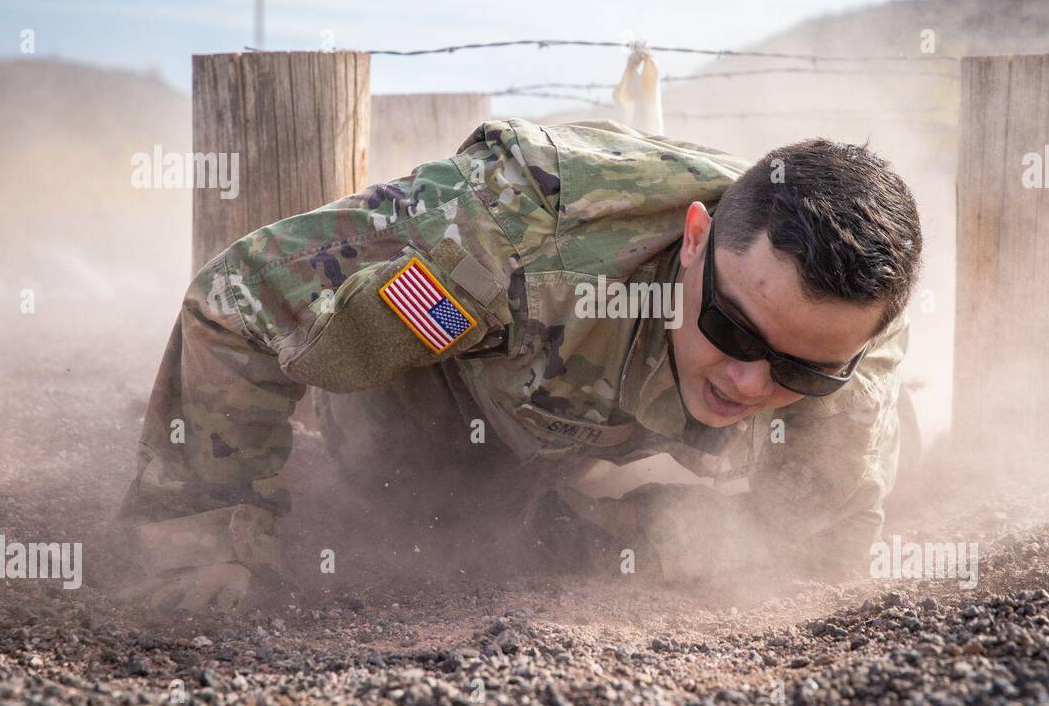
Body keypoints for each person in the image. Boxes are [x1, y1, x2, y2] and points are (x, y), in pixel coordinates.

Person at [121, 118, 922, 610]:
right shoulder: (510, 228)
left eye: (803, 371)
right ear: (694, 242)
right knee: (411, 492)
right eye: (733, 330)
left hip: (595, 432)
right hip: (438, 417)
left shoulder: (850, 340)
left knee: (838, 477)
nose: (752, 382)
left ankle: (576, 508)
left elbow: (812, 540)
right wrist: (207, 540)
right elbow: (240, 298)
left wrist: (651, 537)